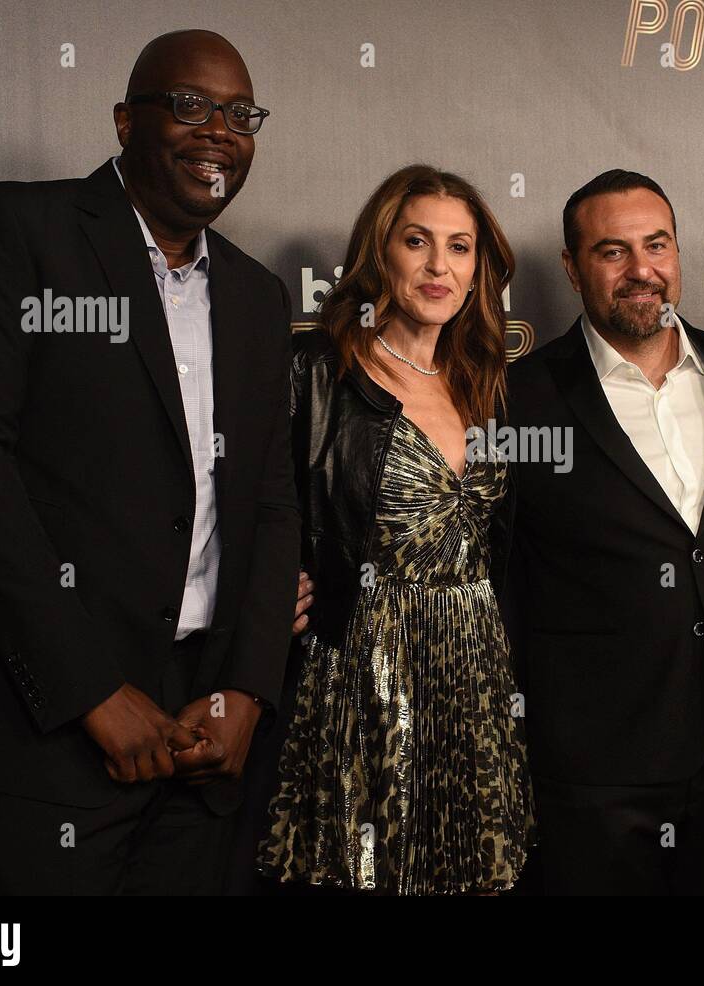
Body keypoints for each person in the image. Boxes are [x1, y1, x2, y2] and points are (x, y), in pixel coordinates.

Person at [0, 29, 302, 894]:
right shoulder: (16, 229)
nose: (219, 133)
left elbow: (272, 504)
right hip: (42, 734)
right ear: (125, 120)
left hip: (203, 742)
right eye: (190, 106)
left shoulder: (257, 296)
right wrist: (89, 692)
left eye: (241, 115)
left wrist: (247, 692)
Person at [259, 165, 533, 894]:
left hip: (472, 672)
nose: (440, 266)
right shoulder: (317, 371)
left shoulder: (486, 382)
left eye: (460, 247)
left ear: (480, 268)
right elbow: (253, 506)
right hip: (362, 672)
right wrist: (264, 586)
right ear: (381, 252)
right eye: (418, 242)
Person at [503, 170, 704, 895]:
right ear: (571, 268)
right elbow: (492, 577)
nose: (641, 270)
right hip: (591, 770)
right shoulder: (518, 399)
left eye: (657, 245)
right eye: (612, 252)